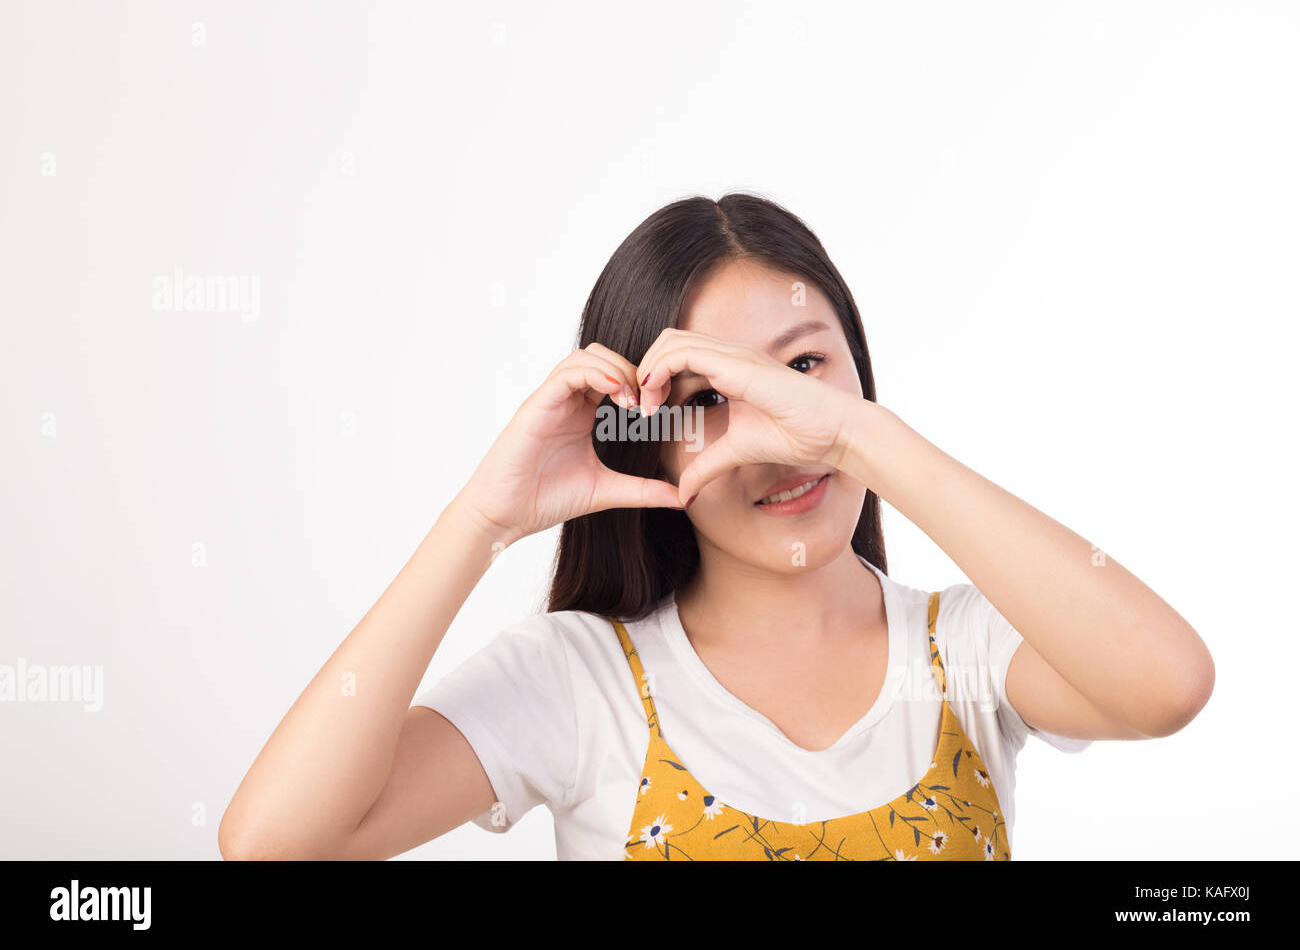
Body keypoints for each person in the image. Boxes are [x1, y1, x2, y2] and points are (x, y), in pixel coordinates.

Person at [218, 193, 1215, 861]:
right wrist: (480, 517)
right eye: (706, 398)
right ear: (641, 435)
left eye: (803, 368)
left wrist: (864, 443)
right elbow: (272, 840)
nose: (776, 438)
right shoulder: (582, 682)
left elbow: (1167, 682)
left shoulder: (960, 650)